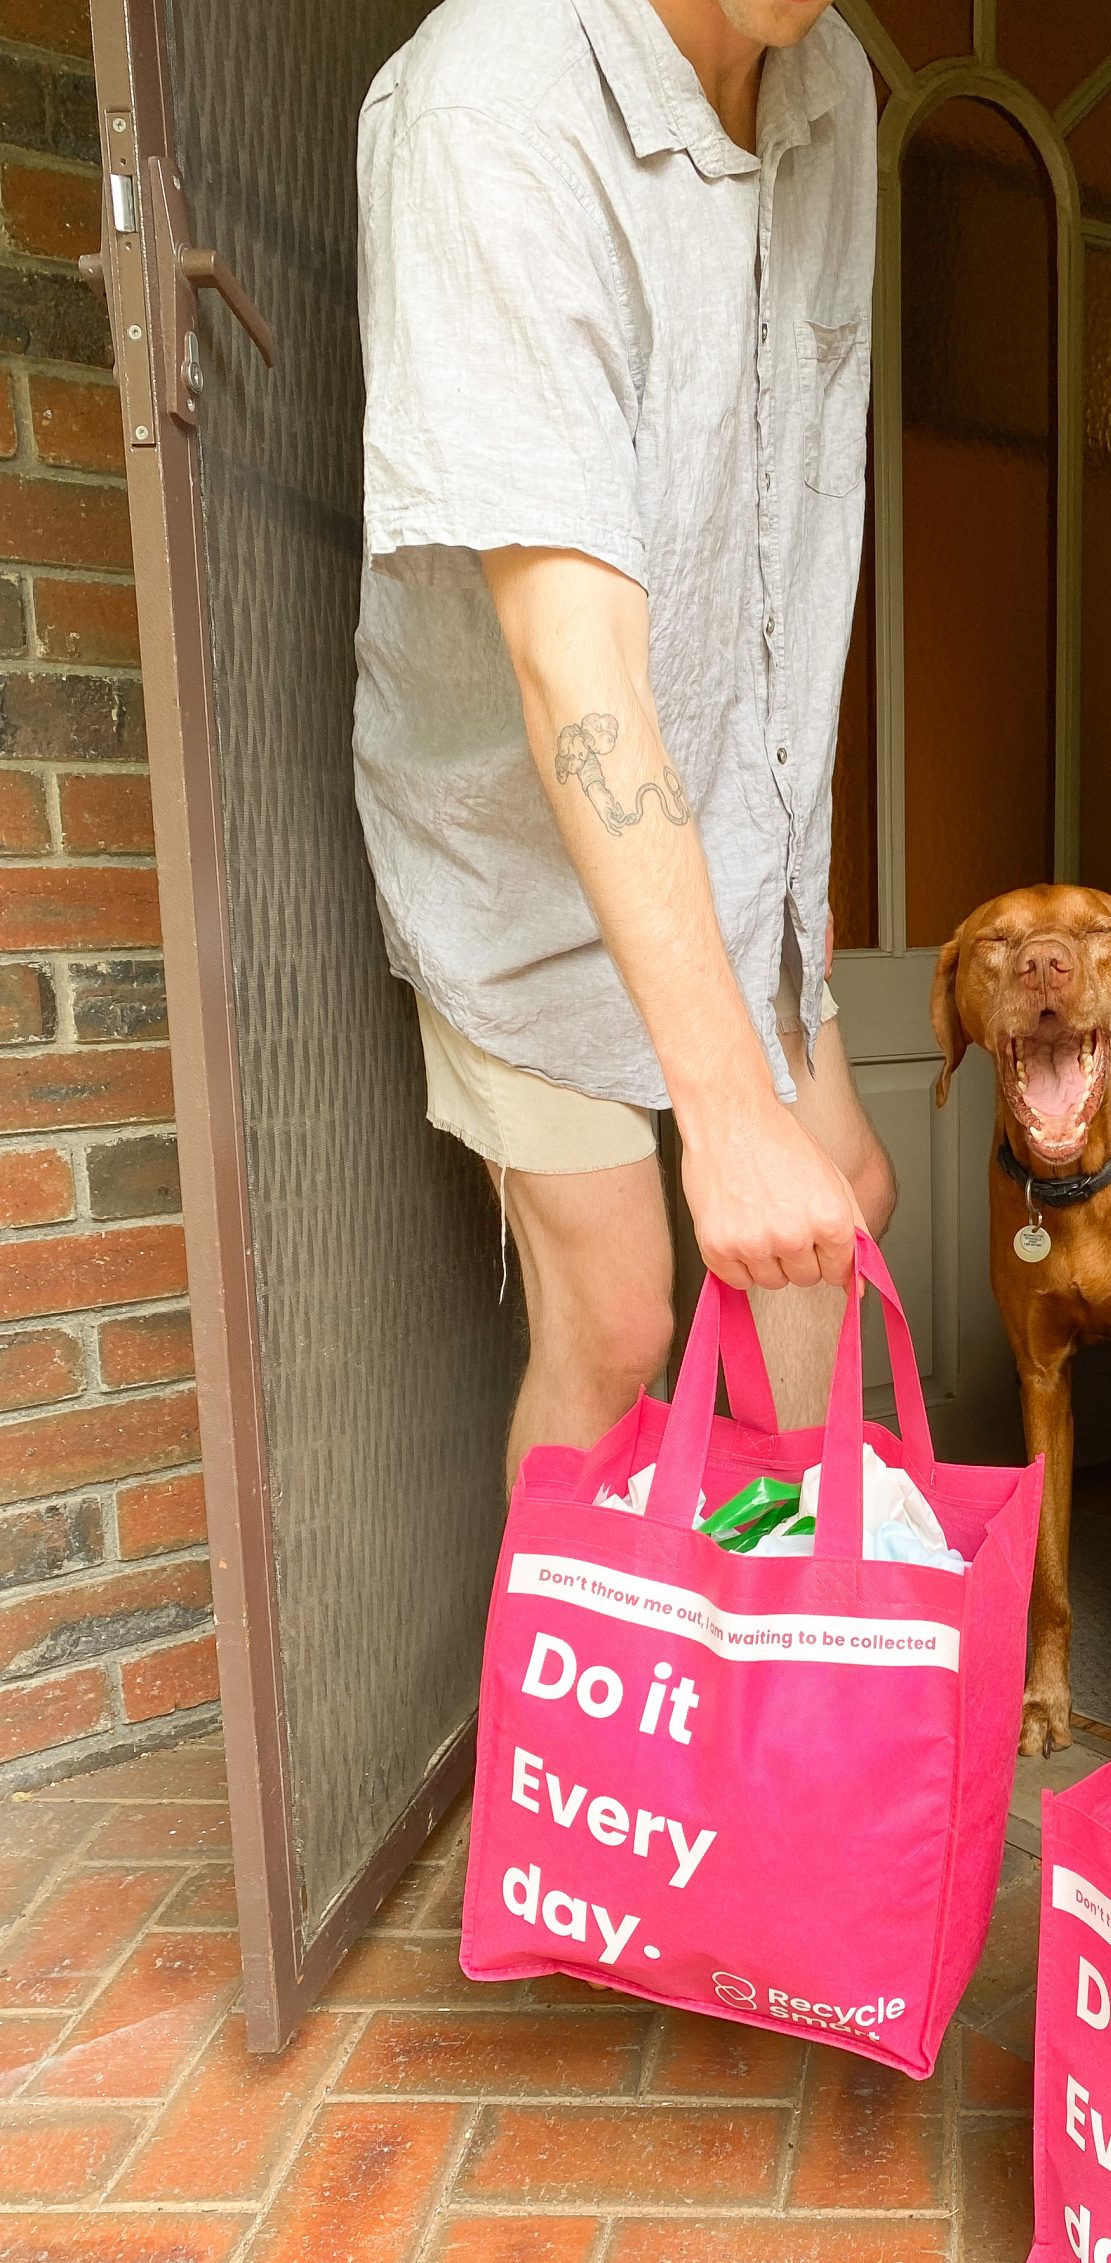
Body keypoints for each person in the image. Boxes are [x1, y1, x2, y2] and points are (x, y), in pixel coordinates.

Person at [353, 0, 895, 1480]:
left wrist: (804, 956)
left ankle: (779, 1693)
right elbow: (569, 661)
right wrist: (724, 1114)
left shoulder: (832, 85)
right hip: (523, 843)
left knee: (833, 1224)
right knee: (616, 1314)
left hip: (737, 812)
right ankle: (565, 1711)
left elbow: (784, 564)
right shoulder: (494, 105)